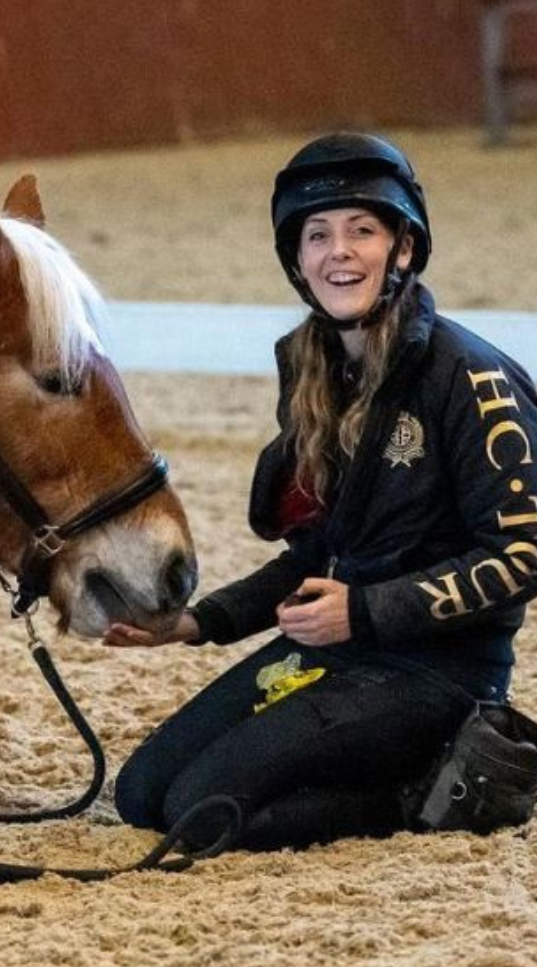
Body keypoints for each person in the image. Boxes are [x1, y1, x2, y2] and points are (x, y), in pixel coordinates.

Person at [106, 133, 537, 851]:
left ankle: (418, 792)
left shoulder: (474, 381)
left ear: (403, 249)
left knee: (199, 810)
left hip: (441, 675)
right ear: (298, 261)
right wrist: (195, 624)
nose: (339, 251)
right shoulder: (315, 377)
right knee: (142, 792)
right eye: (318, 235)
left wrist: (365, 611)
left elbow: (525, 554)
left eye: (362, 230)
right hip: (346, 651)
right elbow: (317, 554)